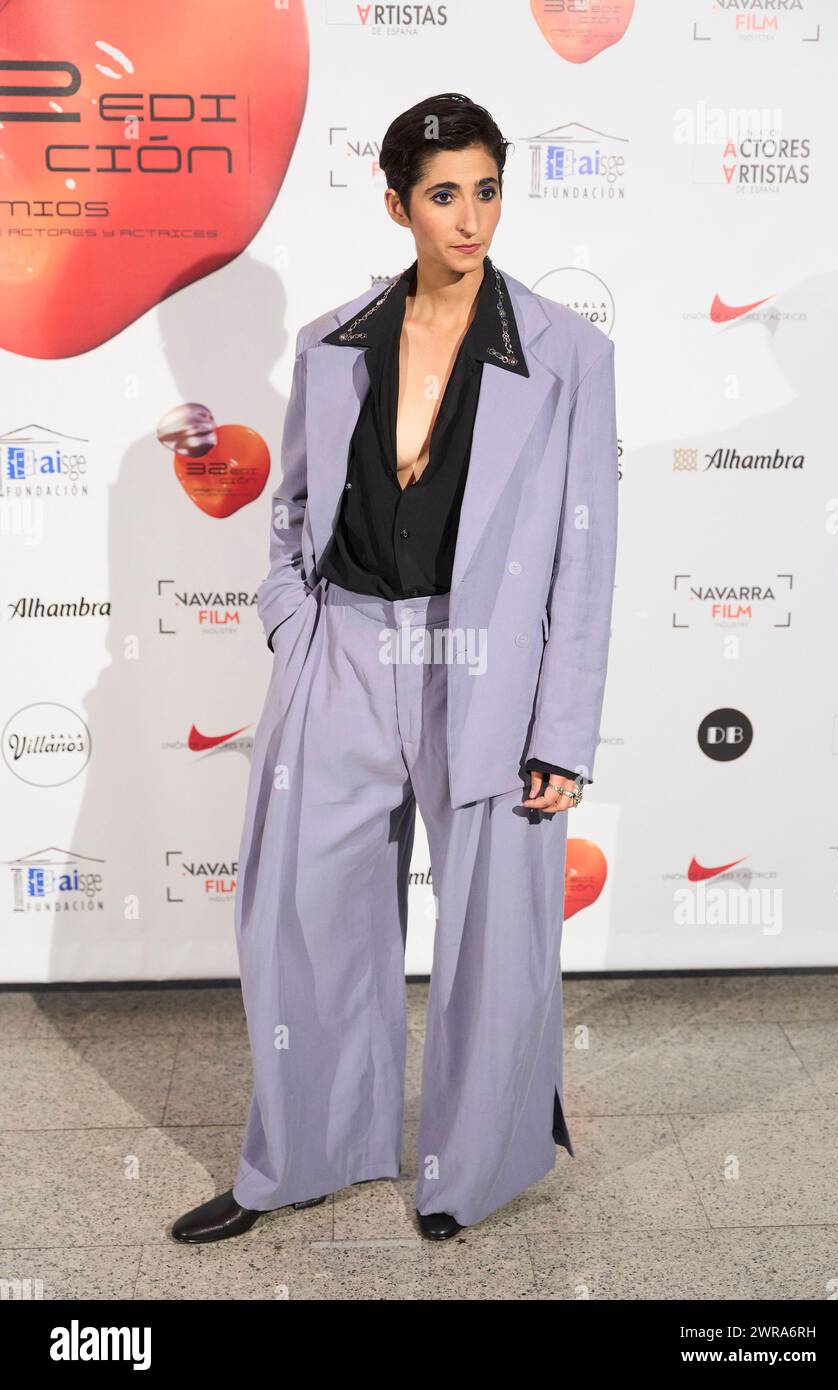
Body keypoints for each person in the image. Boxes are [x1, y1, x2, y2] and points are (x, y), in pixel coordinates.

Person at [172, 93, 618, 1245]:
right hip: (345, 655)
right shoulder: (334, 341)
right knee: (302, 919)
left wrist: (560, 731)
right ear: (395, 204)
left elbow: (585, 552)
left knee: (490, 935)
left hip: (487, 669)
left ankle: (464, 1172)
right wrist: (294, 629)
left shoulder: (569, 354)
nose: (470, 219)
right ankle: (302, 1157)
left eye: (485, 189)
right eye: (442, 194)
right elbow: (293, 515)